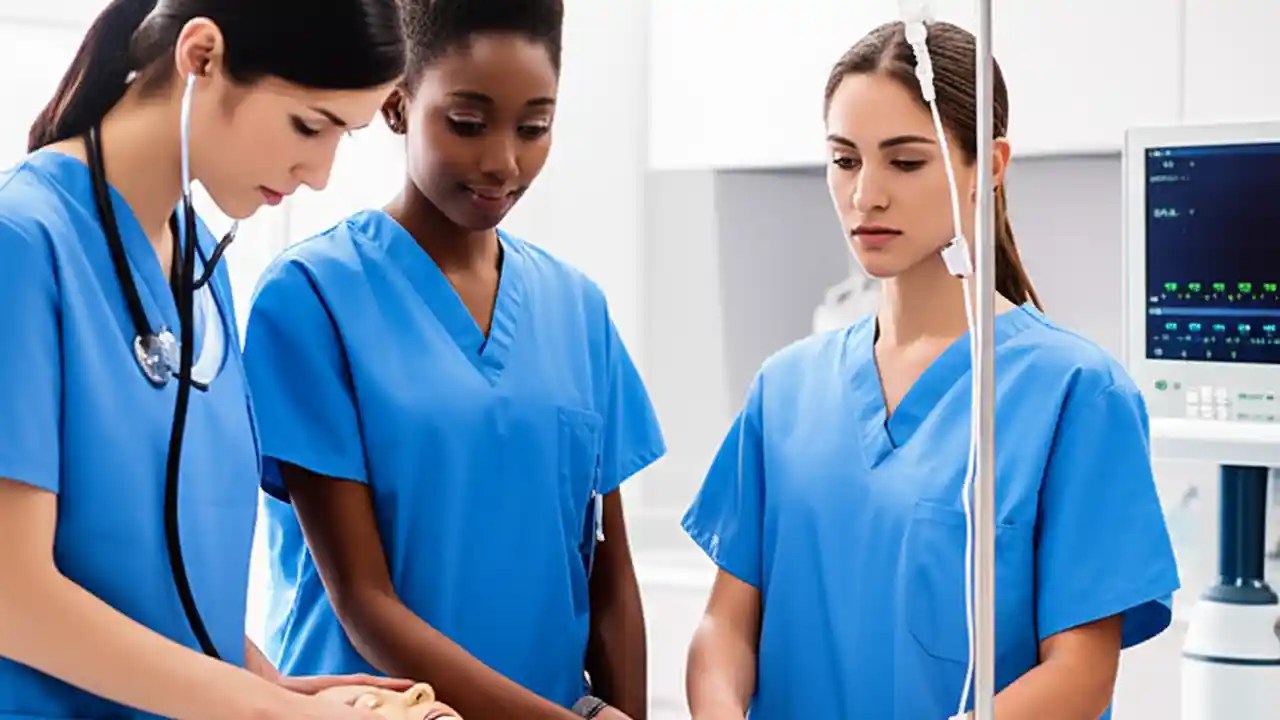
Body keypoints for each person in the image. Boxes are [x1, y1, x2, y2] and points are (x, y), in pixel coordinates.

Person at [681, 19, 1181, 720]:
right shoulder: (786, 390)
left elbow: (1079, 677)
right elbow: (725, 628)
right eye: (845, 160)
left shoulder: (1075, 394)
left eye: (906, 162)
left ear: (992, 165)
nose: (866, 196)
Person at [240, 2, 666, 720]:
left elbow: (610, 584)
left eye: (534, 127)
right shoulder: (311, 298)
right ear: (399, 105)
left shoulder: (578, 309)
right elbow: (365, 606)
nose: (503, 161)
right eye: (467, 124)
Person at [0, 1, 426, 718]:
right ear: (201, 57)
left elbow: (164, 581)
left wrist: (273, 684)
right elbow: (13, 594)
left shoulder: (200, 265)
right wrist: (274, 712)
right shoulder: (23, 245)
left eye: (342, 139)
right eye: (308, 125)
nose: (318, 173)